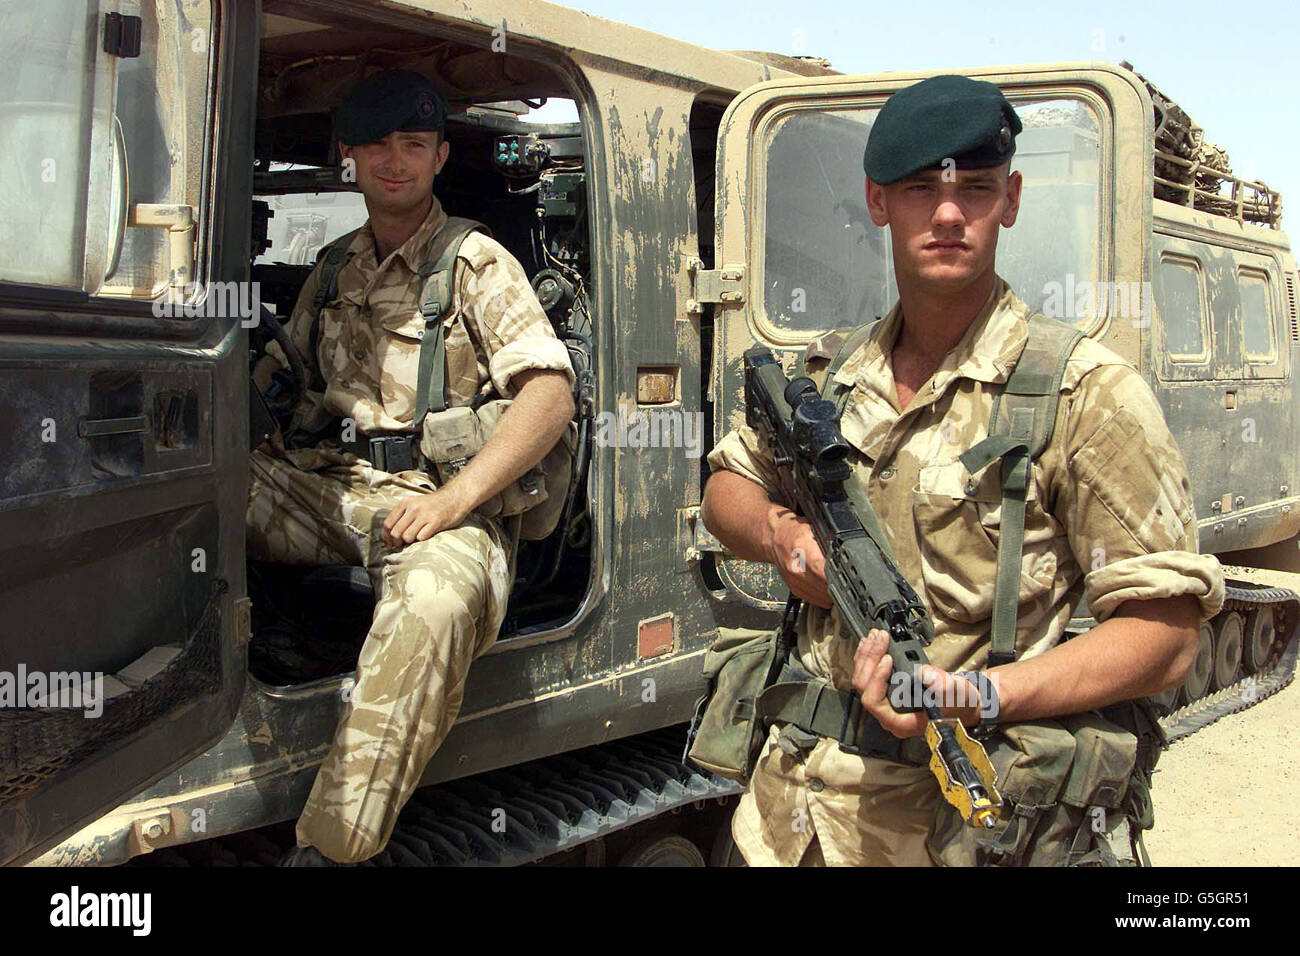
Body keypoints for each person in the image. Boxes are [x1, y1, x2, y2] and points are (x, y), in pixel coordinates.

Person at [701, 74, 1224, 866]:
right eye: (920, 190)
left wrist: (979, 695)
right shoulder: (828, 374)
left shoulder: (1088, 393)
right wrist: (784, 538)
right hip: (784, 822)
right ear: (878, 202)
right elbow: (724, 489)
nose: (948, 213)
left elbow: (1166, 633)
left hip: (963, 831)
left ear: (1010, 200)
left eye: (975, 190)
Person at [248, 69, 575, 865]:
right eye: (377, 147)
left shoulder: (473, 262)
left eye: (414, 145)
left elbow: (550, 395)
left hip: (436, 507)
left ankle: (331, 848)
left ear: (438, 157)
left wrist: (457, 500)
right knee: (188, 489)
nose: (395, 162)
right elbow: (279, 377)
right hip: (327, 491)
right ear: (349, 157)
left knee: (434, 597)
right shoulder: (330, 270)